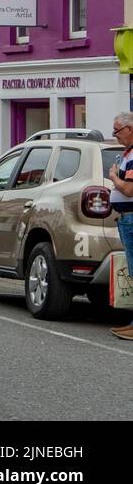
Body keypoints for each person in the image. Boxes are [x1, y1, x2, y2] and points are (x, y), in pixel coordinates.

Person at [109, 111, 133, 340]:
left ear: (129, 129)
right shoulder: (128, 153)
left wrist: (114, 177)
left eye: (117, 130)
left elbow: (128, 189)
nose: (115, 135)